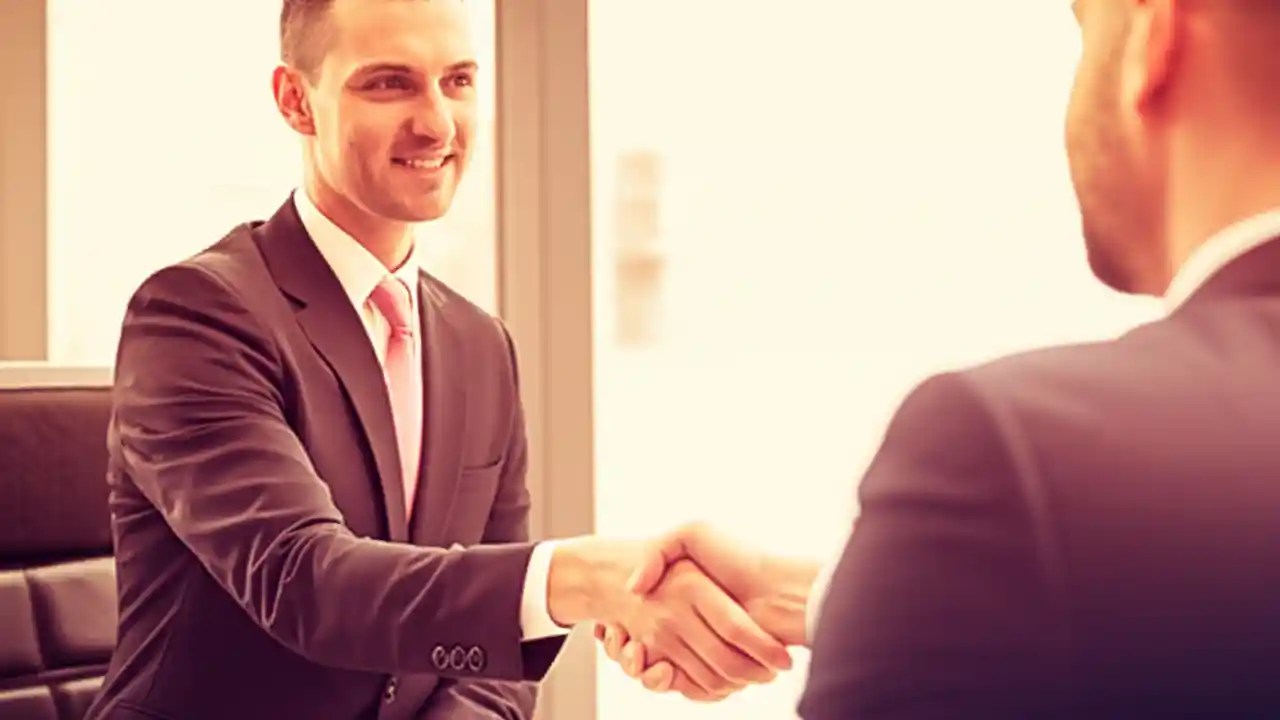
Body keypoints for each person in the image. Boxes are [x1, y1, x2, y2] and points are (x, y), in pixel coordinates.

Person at [85, 1, 792, 718]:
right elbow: (307, 583)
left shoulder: (480, 345)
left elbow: (495, 663)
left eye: (457, 81)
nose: (438, 124)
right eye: (389, 84)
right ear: (297, 101)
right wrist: (589, 576)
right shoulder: (196, 314)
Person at [606, 0, 1280, 716]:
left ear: (1156, 37)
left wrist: (952, 557)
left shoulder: (1007, 452)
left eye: (1086, 28)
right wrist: (864, 588)